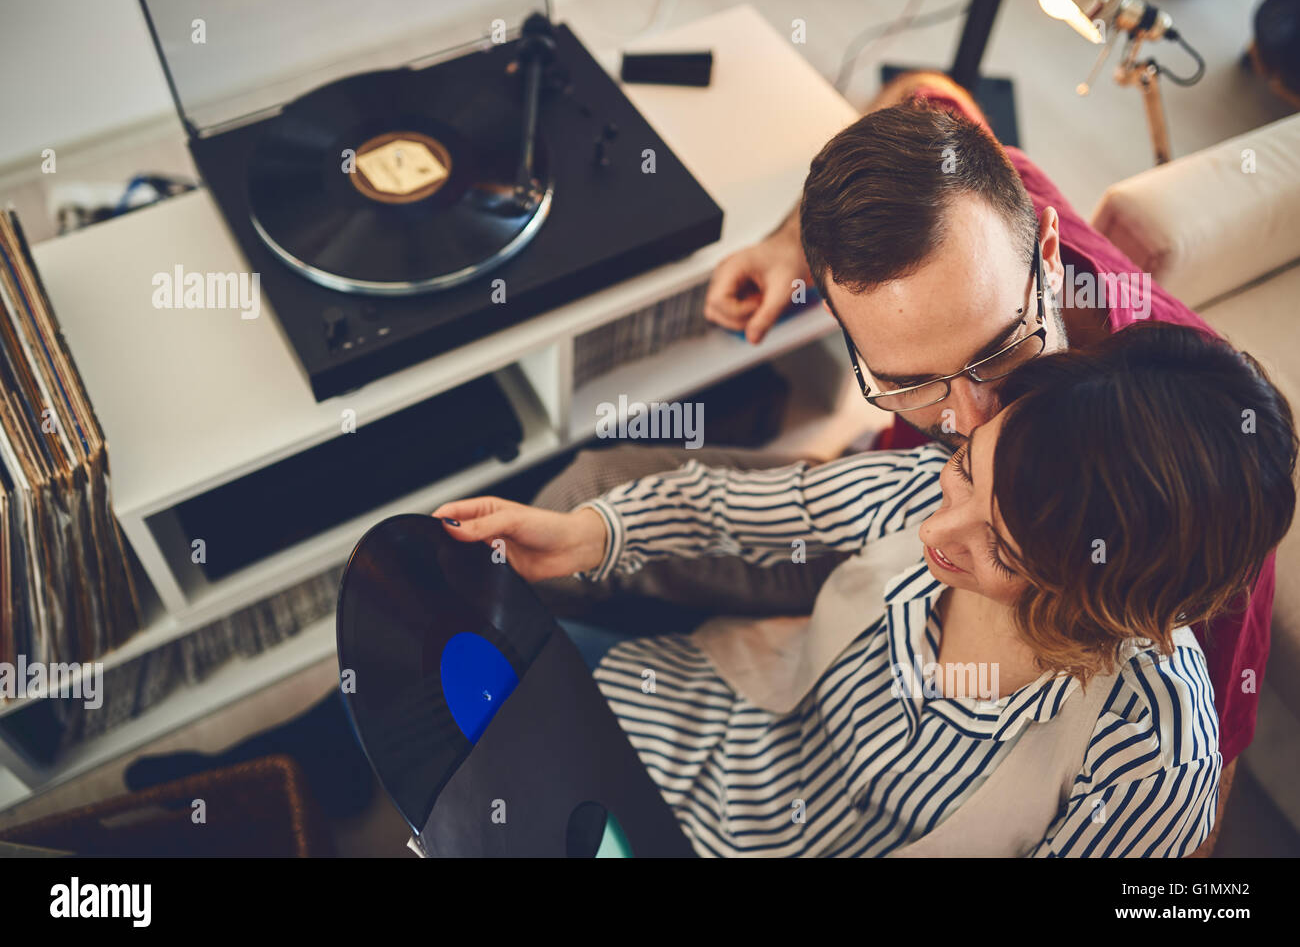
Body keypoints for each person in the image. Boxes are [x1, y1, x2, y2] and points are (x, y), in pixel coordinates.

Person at [527, 72, 1279, 851]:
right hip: (854, 547)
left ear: (1047, 257)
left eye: (998, 352)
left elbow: (1202, 776)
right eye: (910, 381)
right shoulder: (969, 192)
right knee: (576, 504)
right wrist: (790, 244)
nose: (972, 418)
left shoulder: (1187, 484)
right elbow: (919, 91)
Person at [434, 323, 1298, 856]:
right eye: (966, 471)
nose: (934, 530)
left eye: (1000, 547)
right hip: (710, 722)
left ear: (1109, 595)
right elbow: (753, 507)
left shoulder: (1150, 764)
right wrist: (588, 534)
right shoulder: (933, 490)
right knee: (450, 738)